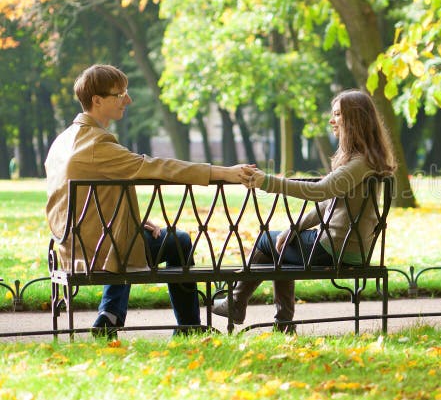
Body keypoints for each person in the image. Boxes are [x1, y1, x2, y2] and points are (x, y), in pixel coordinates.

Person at [45, 64, 245, 337]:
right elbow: (159, 167)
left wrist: (134, 221)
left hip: (69, 246)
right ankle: (188, 327)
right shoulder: (96, 145)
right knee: (179, 241)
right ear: (97, 100)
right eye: (120, 94)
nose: (128, 100)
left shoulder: (63, 141)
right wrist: (224, 172)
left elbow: (82, 204)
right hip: (98, 250)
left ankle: (111, 313)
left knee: (129, 239)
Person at [212, 89, 396, 331]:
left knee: (267, 240)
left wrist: (267, 182)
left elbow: (320, 191)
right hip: (349, 247)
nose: (332, 120)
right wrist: (295, 227)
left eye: (338, 114)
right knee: (281, 245)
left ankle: (241, 304)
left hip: (335, 248)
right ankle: (279, 322)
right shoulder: (364, 161)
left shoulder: (359, 164)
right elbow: (328, 204)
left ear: (355, 121)